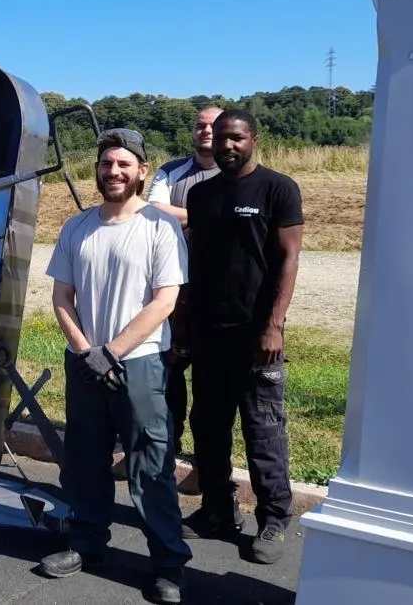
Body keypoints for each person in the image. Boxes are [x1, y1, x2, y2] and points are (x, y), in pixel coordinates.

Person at [39, 128, 192, 604]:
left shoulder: (159, 227)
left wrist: (114, 351)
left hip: (140, 365)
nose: (114, 172)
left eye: (124, 164)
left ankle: (168, 563)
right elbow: (62, 296)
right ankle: (86, 543)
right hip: (84, 362)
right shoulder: (76, 227)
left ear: (142, 170)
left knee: (150, 465)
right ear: (98, 170)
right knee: (85, 460)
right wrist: (87, 350)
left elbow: (166, 300)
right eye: (107, 164)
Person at [181, 109, 304, 565]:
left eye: (236, 138)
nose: (226, 146)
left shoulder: (278, 188)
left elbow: (289, 259)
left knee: (263, 431)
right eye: (219, 139)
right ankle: (217, 509)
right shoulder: (201, 194)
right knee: (208, 427)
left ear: (252, 138)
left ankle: (273, 519)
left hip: (256, 336)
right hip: (209, 332)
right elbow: (195, 260)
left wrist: (274, 324)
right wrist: (184, 323)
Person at [147, 105, 223, 458]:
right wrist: (212, 217)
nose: (205, 131)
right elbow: (152, 210)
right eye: (200, 125)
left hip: (218, 291)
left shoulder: (236, 172)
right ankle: (167, 446)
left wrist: (187, 219)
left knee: (211, 380)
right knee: (169, 369)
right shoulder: (170, 172)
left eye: (213, 125)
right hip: (173, 286)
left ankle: (207, 461)